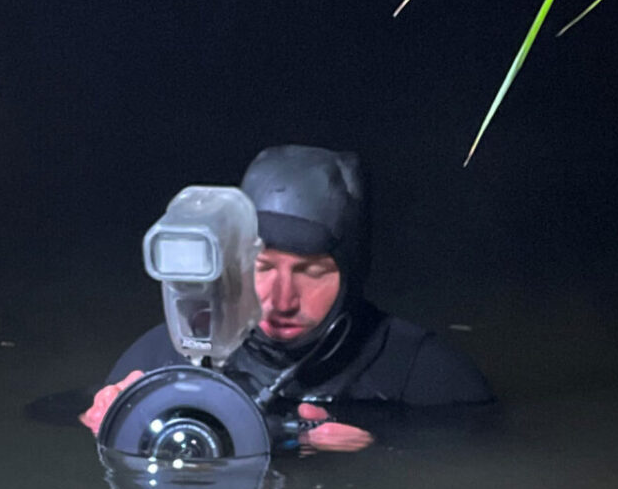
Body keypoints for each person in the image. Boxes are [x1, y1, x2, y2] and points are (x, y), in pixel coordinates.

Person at [80, 145, 493, 452]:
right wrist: (104, 416)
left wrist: (379, 444)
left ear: (352, 272)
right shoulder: (166, 353)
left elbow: (486, 452)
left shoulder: (422, 371)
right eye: (261, 267)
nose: (280, 300)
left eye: (310, 272)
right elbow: (45, 417)